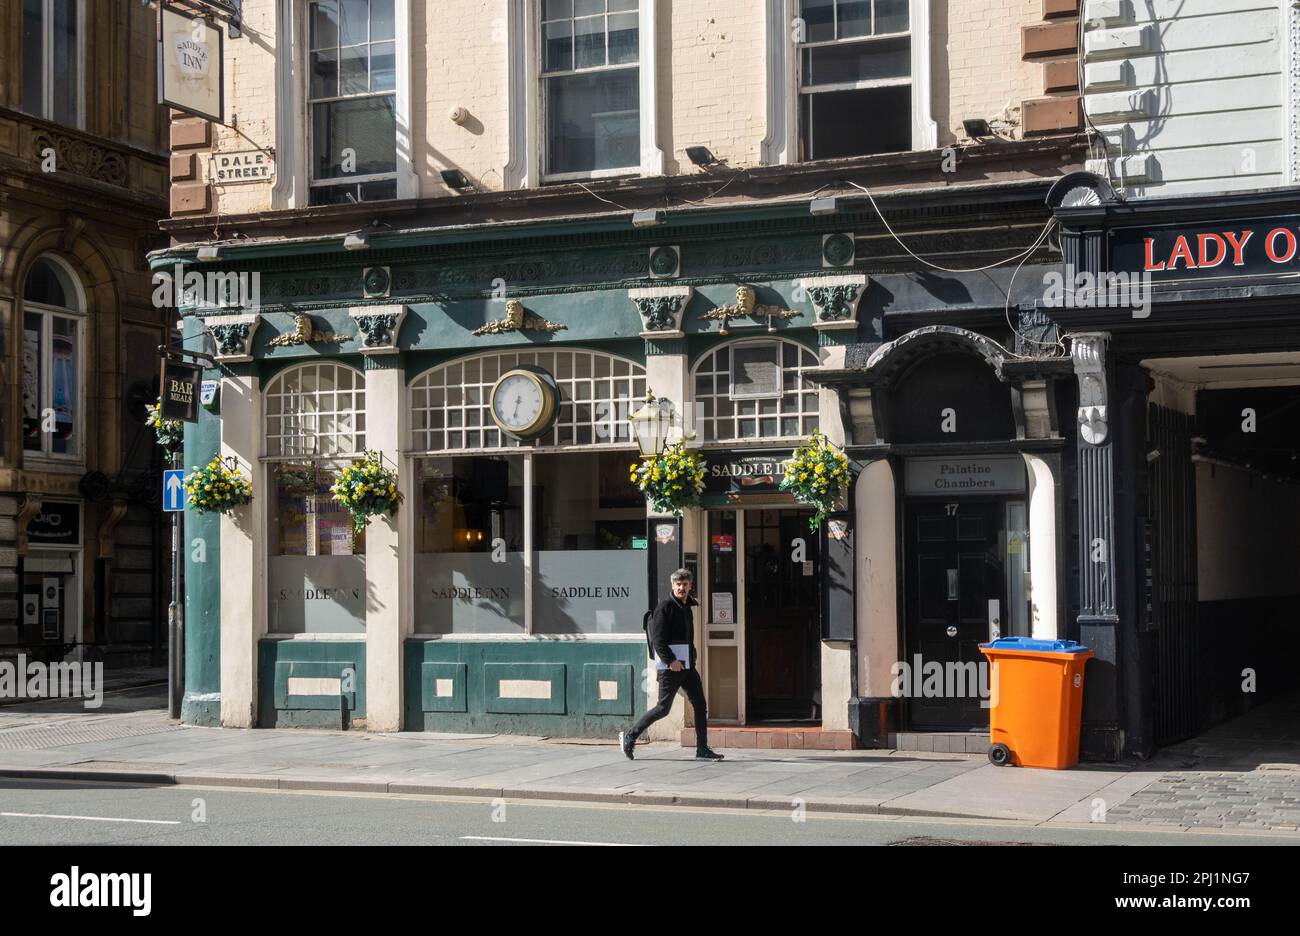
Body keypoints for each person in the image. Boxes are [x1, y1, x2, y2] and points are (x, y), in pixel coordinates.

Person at [619, 568, 723, 761]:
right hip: (670, 667)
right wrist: (670, 661)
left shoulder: (687, 607)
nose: (681, 588)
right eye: (678, 584)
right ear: (672, 586)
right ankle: (630, 736)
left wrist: (692, 656)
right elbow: (658, 641)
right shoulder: (664, 607)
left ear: (690, 586)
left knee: (700, 705)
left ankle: (702, 749)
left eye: (685, 584)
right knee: (663, 708)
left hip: (687, 666)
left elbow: (687, 637)